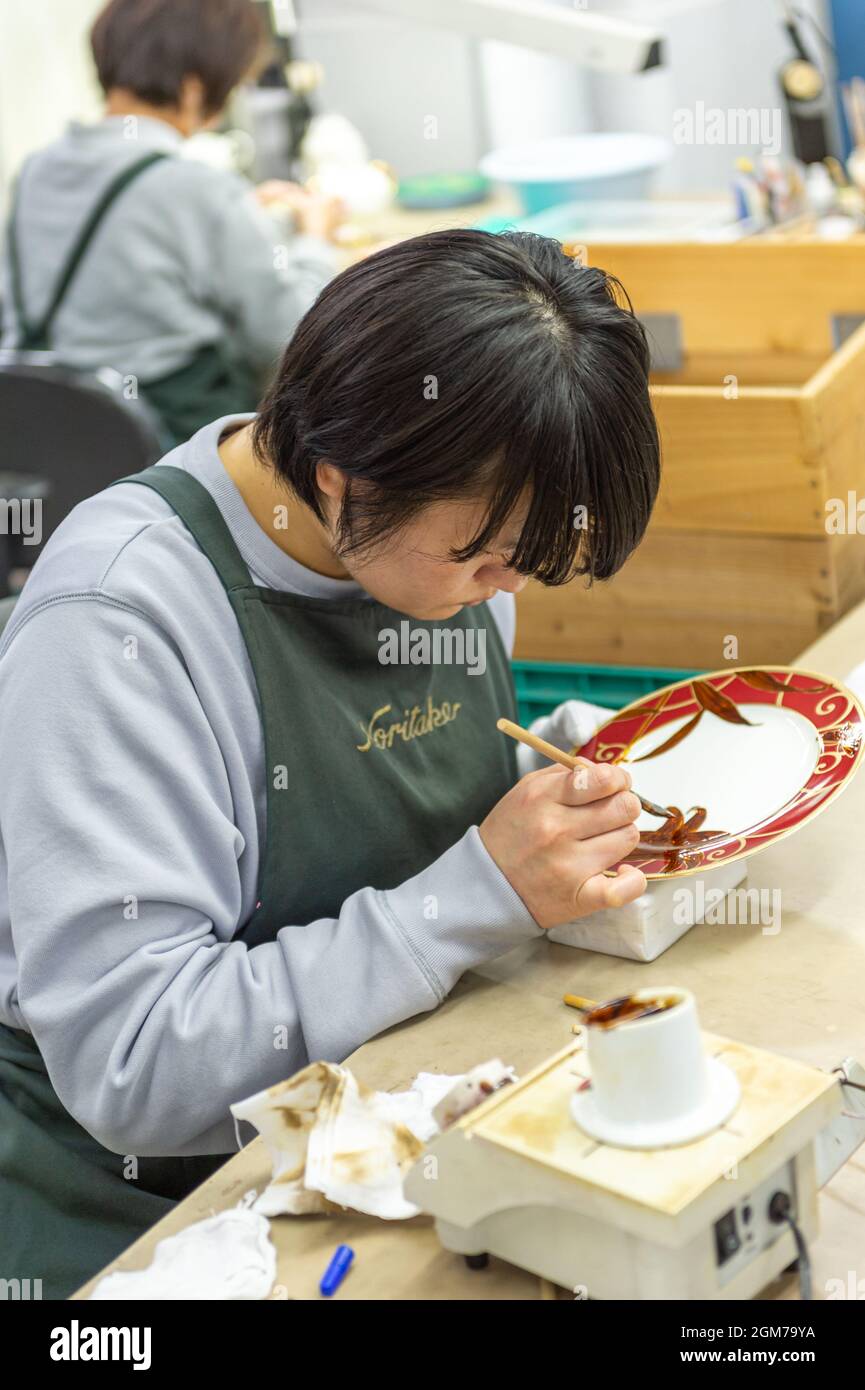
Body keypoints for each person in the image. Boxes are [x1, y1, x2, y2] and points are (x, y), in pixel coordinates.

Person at [0, 229, 660, 1297]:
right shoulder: (118, 621)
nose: (504, 592)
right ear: (338, 474)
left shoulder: (432, 538)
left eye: (527, 564)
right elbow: (135, 1062)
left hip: (401, 1097)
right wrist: (470, 897)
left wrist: (577, 769)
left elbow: (428, 772)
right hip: (168, 1208)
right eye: (484, 560)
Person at [0, 0, 339, 446]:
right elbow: (290, 333)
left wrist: (241, 217)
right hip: (170, 453)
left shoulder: (37, 170)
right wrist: (315, 237)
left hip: (46, 441)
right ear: (195, 88)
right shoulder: (196, 187)